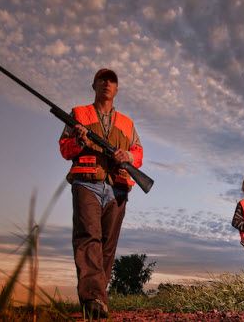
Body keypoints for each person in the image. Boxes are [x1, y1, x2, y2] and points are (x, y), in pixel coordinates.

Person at [59, 68, 143, 318]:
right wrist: (80, 141)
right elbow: (64, 149)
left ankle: (98, 298)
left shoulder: (127, 123)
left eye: (112, 81)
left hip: (117, 187)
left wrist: (127, 156)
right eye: (102, 79)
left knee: (108, 245)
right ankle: (93, 298)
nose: (107, 83)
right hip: (87, 183)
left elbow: (138, 152)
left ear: (117, 89)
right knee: (88, 237)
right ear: (94, 85)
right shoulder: (78, 114)